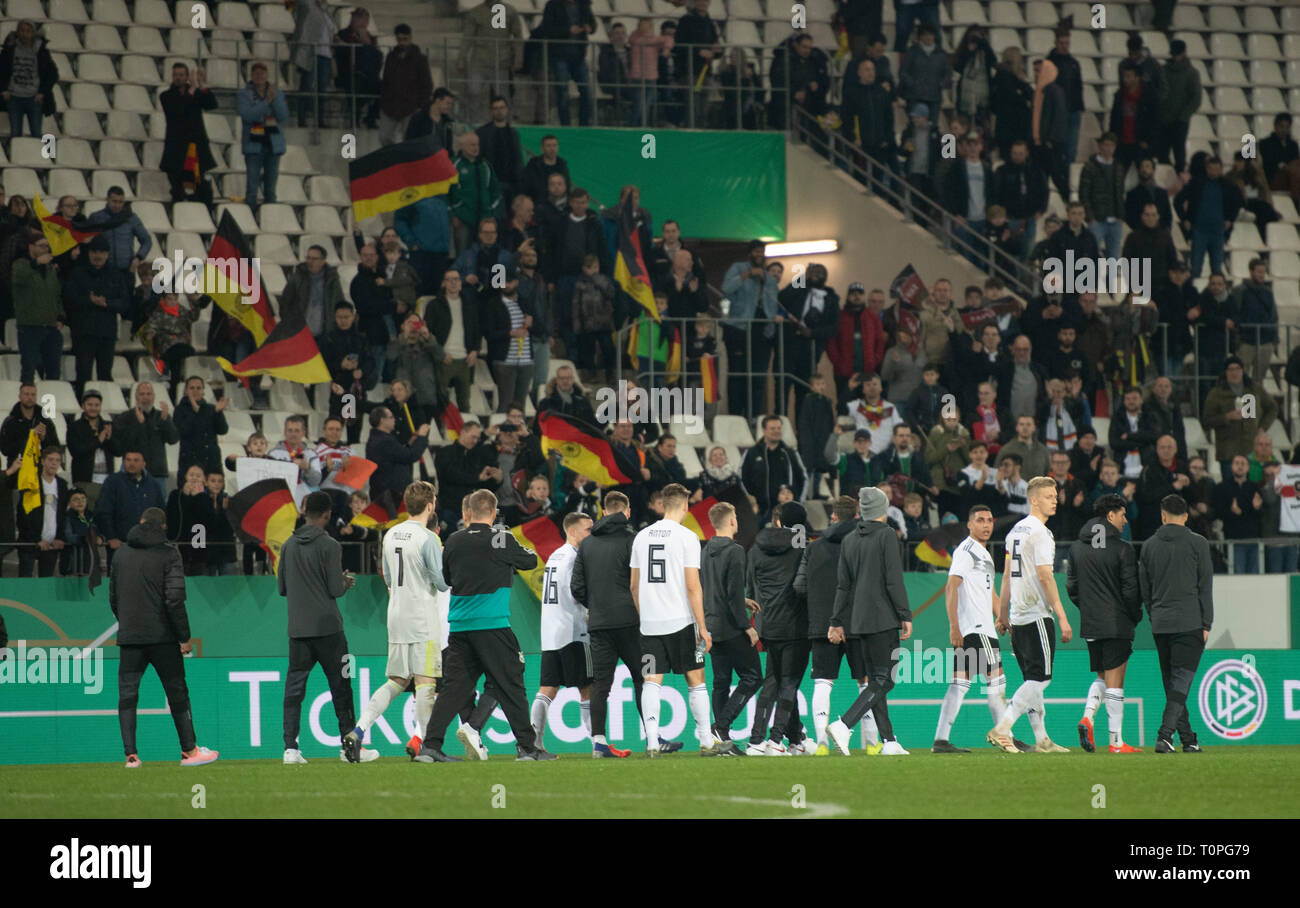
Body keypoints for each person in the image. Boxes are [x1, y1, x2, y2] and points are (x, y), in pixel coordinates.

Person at [417, 489, 554, 761]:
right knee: (512, 682)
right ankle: (527, 748)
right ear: (493, 513)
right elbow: (529, 560)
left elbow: (446, 579)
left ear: (468, 513)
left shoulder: (454, 541)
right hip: (492, 625)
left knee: (454, 689)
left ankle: (430, 747)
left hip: (459, 628)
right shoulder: (501, 538)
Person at [344, 481, 448, 760]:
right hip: (422, 617)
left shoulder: (390, 534)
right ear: (430, 506)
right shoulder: (429, 538)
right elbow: (440, 583)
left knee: (397, 680)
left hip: (396, 615)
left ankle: (359, 729)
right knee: (426, 683)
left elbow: (388, 578)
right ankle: (429, 748)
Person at [111, 507, 218, 768]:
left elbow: (114, 599)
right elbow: (174, 600)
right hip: (163, 637)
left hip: (130, 637)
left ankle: (131, 756)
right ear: (163, 527)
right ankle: (189, 752)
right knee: (177, 693)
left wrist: (129, 623)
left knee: (128, 696)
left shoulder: (120, 554)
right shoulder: (169, 554)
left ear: (141, 521)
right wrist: (184, 636)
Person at [630, 483, 728, 756]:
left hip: (650, 624)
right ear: (685, 506)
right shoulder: (687, 537)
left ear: (662, 504)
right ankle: (707, 742)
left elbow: (634, 587)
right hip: (682, 621)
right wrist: (703, 628)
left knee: (651, 681)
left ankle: (651, 743)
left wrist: (645, 616)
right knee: (696, 679)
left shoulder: (641, 537)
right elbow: (693, 587)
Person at [279, 491, 370, 763]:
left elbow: (282, 588)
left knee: (294, 690)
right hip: (330, 631)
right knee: (341, 687)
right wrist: (343, 582)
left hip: (298, 631)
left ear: (305, 511)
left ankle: (290, 749)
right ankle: (349, 750)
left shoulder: (288, 545)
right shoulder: (331, 545)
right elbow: (334, 589)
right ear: (328, 514)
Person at [987, 475, 1073, 753]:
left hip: (1018, 616)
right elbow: (1046, 576)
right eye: (1049, 496)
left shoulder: (1015, 532)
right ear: (1033, 499)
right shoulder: (1041, 533)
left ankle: (1042, 740)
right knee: (1041, 679)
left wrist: (1002, 615)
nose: (1055, 500)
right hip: (1036, 613)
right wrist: (1061, 615)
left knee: (1031, 680)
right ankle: (1003, 728)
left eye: (1056, 496)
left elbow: (1006, 579)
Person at [823, 486, 911, 755]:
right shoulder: (886, 536)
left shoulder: (849, 539)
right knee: (885, 679)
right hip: (883, 617)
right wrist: (905, 614)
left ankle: (889, 741)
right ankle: (844, 724)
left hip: (858, 621)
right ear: (882, 509)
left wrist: (836, 620)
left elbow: (842, 586)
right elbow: (893, 580)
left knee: (876, 679)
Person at [1067, 493, 1143, 754]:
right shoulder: (1123, 548)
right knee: (1116, 681)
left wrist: (1089, 609)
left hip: (1091, 623)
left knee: (1102, 676)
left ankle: (1088, 716)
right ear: (1110, 515)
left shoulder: (1077, 548)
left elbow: (1072, 587)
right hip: (1117, 622)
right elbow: (1131, 590)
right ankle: (1116, 742)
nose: (1125, 520)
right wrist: (1135, 615)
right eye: (1122, 515)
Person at [932, 504, 1012, 752]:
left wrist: (1002, 617)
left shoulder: (983, 553)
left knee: (959, 684)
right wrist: (954, 626)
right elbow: (951, 587)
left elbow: (991, 594)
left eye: (989, 520)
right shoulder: (966, 551)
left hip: (979, 626)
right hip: (976, 628)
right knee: (997, 681)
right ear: (969, 524)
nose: (986, 525)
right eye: (980, 520)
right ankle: (1004, 736)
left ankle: (941, 741)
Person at [1139, 494, 1212, 753]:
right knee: (1180, 683)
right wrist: (1207, 624)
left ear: (1162, 515)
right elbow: (1205, 587)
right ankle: (1165, 736)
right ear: (1185, 516)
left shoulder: (1148, 546)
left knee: (1173, 683)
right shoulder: (1198, 544)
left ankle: (1188, 739)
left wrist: (1154, 613)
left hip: (1161, 623)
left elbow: (1144, 590)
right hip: (1190, 621)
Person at [746, 502, 812, 755]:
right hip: (796, 624)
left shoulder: (758, 547)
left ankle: (759, 740)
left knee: (773, 681)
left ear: (777, 522)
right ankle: (775, 740)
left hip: (768, 623)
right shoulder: (803, 547)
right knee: (789, 683)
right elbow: (804, 585)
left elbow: (751, 585)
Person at [530, 511, 595, 746]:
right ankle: (598, 742)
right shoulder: (575, 558)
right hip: (573, 631)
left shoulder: (555, 556)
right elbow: (577, 592)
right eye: (587, 529)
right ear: (572, 531)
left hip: (551, 633)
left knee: (547, 689)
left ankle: (533, 744)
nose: (591, 533)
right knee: (589, 687)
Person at [62, 236, 128, 399]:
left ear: (107, 254)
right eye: (94, 251)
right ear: (89, 253)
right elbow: (68, 300)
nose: (98, 256)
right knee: (83, 373)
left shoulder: (116, 274)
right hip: (84, 332)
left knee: (105, 374)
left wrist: (107, 303)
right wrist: (89, 300)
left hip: (107, 333)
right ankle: (81, 409)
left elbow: (125, 303)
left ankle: (104, 408)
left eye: (102, 252)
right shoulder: (78, 273)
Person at [720, 240, 780, 418]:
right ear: (749, 254)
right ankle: (735, 416)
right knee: (738, 375)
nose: (759, 255)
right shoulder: (738, 268)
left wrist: (774, 319)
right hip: (738, 328)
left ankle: (753, 416)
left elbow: (773, 303)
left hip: (762, 330)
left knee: (758, 376)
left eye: (761, 252)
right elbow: (726, 288)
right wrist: (747, 275)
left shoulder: (769, 279)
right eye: (755, 252)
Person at [1174, 156, 1243, 278]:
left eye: (1217, 169)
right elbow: (1177, 200)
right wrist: (1184, 219)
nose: (1214, 172)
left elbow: (1238, 202)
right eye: (1211, 168)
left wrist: (1230, 219)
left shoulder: (1228, 186)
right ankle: (1193, 294)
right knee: (1195, 268)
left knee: (1217, 268)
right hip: (1199, 231)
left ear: (1221, 169)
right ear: (1206, 168)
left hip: (1218, 232)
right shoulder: (1196, 183)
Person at [159, 63, 217, 205]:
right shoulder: (166, 96)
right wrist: (193, 88)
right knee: (178, 191)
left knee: (200, 190)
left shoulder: (195, 93)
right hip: (176, 151)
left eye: (181, 75)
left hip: (195, 149)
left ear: (186, 77)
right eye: (175, 75)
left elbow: (212, 104)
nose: (178, 78)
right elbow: (179, 109)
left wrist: (201, 84)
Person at [237, 61, 290, 212]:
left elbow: (283, 116)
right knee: (252, 187)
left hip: (273, 144)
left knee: (271, 188)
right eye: (256, 73)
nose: (259, 76)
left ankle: (270, 219)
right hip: (254, 145)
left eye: (262, 73)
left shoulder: (277, 93)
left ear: (267, 75)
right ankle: (250, 217)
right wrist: (266, 102)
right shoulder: (243, 94)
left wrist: (274, 100)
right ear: (251, 76)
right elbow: (248, 115)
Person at [110, 383, 177, 499]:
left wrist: (165, 421)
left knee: (157, 510)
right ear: (136, 396)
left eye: (148, 394)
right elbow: (122, 446)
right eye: (142, 394)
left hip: (157, 473)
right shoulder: (125, 417)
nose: (145, 397)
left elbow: (173, 439)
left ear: (154, 396)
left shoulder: (162, 416)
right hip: (131, 473)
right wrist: (138, 424)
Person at [13, 231, 62, 384]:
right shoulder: (20, 264)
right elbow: (17, 278)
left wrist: (60, 316)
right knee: (29, 369)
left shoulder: (50, 269)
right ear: (30, 247)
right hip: (29, 326)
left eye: (47, 247)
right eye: (41, 246)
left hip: (50, 326)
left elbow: (57, 294)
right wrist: (35, 264)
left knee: (53, 370)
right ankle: (27, 404)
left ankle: (51, 406)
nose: (45, 250)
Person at [741, 415, 807, 526]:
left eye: (779, 428)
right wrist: (751, 503)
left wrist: (797, 504)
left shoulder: (790, 453)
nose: (776, 431)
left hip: (786, 513)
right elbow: (742, 479)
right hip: (761, 513)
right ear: (764, 431)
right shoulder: (752, 453)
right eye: (772, 428)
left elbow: (803, 478)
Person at [365, 406, 430, 517]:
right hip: (390, 495)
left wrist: (410, 444)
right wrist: (422, 437)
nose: (394, 419)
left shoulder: (380, 438)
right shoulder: (384, 441)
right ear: (382, 420)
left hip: (389, 493)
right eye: (391, 417)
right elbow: (410, 456)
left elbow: (399, 455)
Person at [539, 0, 596, 126]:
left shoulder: (584, 4)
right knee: (563, 92)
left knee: (586, 90)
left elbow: (593, 25)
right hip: (560, 55)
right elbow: (546, 29)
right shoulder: (552, 5)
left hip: (579, 55)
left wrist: (589, 27)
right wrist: (567, 31)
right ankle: (565, 124)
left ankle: (584, 124)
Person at [16, 445, 69, 577]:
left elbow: (62, 515)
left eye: (57, 460)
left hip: (51, 544)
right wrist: (36, 539)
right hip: (31, 542)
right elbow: (23, 515)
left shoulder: (62, 484)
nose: (54, 463)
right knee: (25, 582)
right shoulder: (32, 482)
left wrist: (60, 537)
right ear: (43, 461)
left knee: (46, 583)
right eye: (50, 459)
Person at [0, 20, 59, 137]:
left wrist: (42, 92)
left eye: (28, 31)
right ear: (17, 32)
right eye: (21, 30)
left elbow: (53, 74)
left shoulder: (41, 52)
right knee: (15, 135)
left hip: (34, 98)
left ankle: (36, 155)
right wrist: (3, 89)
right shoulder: (9, 50)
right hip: (14, 97)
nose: (24, 34)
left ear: (33, 33)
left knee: (36, 134)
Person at [378, 24, 434, 145]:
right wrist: (384, 100)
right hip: (390, 105)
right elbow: (386, 80)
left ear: (410, 38)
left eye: (405, 39)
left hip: (411, 106)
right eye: (399, 39)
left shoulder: (420, 59)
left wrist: (420, 105)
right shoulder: (391, 57)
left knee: (408, 139)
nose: (402, 43)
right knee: (384, 137)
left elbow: (427, 84)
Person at [1231, 259, 1279, 391]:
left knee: (1259, 380)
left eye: (1263, 272)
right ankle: (1242, 410)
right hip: (1246, 340)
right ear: (1251, 271)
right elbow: (1235, 313)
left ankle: (1254, 409)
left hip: (1265, 341)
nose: (1261, 275)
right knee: (1241, 378)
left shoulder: (1268, 292)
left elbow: (1274, 316)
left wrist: (1273, 340)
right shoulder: (1239, 290)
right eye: (1259, 272)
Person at [334, 7, 382, 127]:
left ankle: (371, 117)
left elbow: (378, 57)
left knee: (386, 87)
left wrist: (367, 44)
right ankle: (354, 120)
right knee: (356, 84)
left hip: (369, 76)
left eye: (364, 19)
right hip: (348, 73)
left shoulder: (370, 37)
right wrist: (359, 46)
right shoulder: (343, 34)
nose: (361, 22)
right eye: (357, 18)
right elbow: (342, 54)